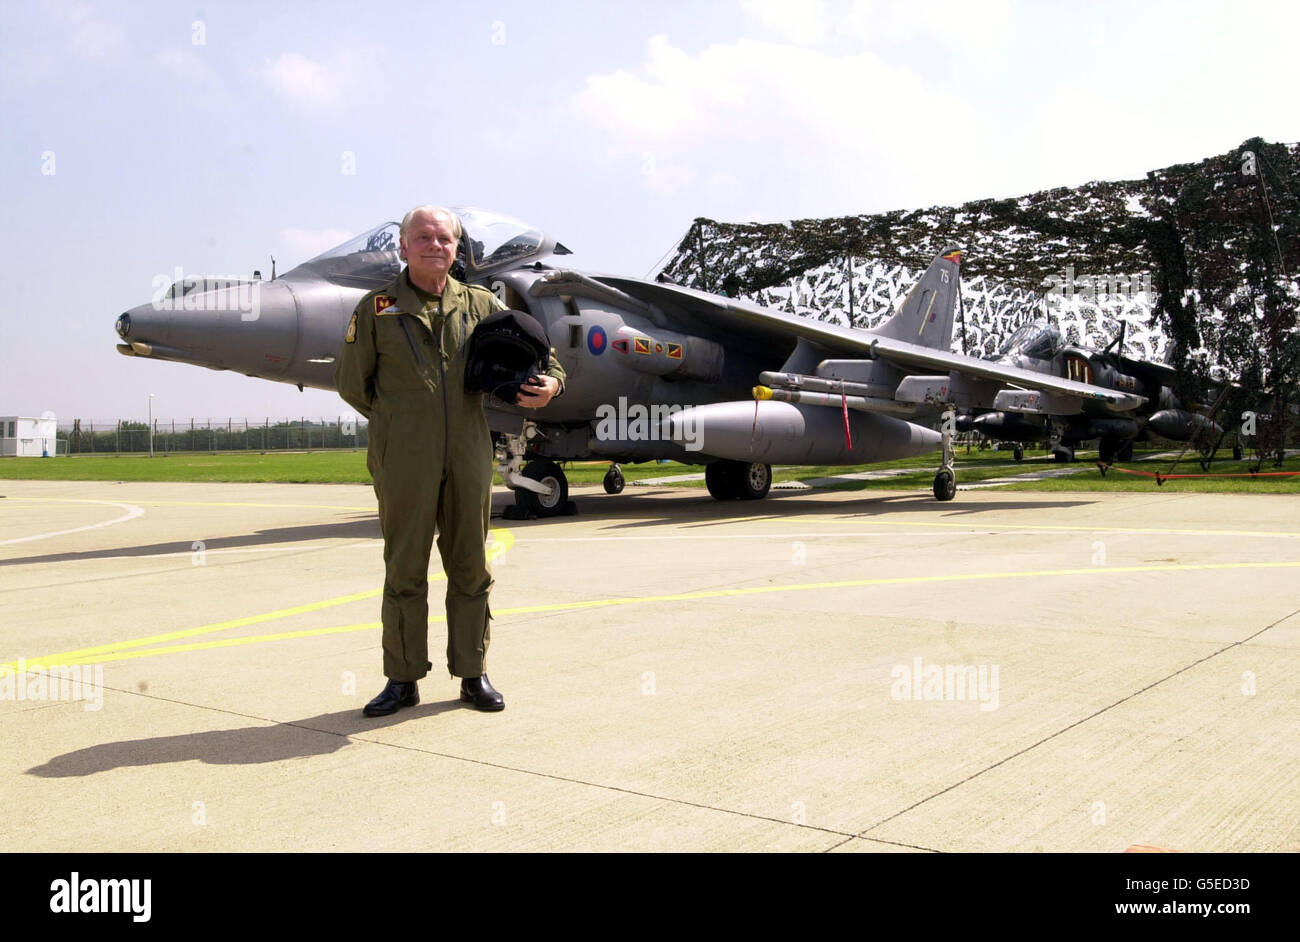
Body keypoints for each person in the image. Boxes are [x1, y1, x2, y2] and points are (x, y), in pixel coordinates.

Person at [334, 205, 565, 716]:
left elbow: (542, 359)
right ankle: (402, 679)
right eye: (422, 236)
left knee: (470, 566)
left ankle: (472, 673)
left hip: (467, 452)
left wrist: (551, 383)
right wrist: (404, 424)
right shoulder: (376, 309)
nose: (434, 244)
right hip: (403, 459)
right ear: (403, 246)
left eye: (444, 237)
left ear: (457, 248)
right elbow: (353, 385)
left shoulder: (482, 304)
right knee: (405, 569)